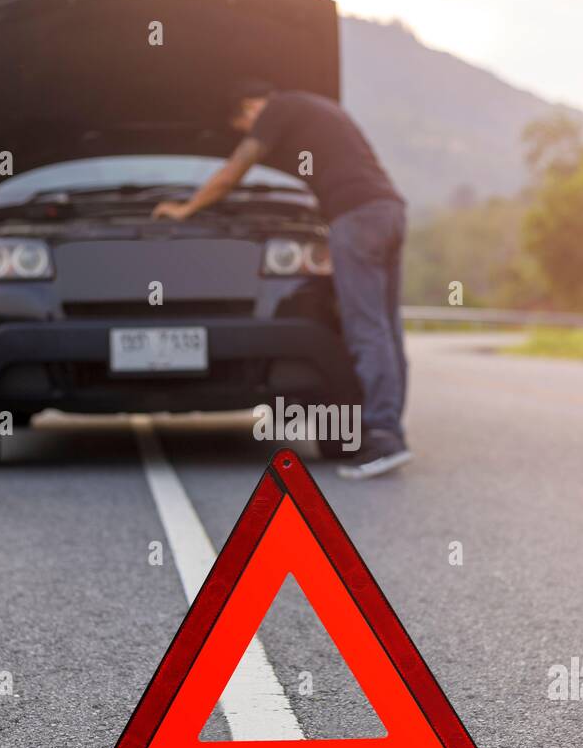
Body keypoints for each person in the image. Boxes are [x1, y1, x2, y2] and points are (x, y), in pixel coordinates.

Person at [151, 80, 412, 480]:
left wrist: (187, 209)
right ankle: (389, 431)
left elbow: (236, 169)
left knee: (366, 327)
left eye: (241, 125)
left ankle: (383, 438)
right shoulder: (316, 108)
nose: (245, 132)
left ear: (249, 107)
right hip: (387, 211)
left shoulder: (278, 109)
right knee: (386, 328)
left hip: (356, 219)